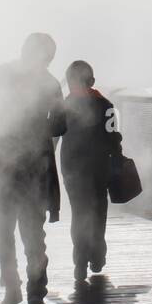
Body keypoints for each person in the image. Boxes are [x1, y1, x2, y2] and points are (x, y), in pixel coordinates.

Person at [0, 33, 67, 304]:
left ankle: (12, 282)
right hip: (35, 160)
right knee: (32, 223)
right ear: (49, 57)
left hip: (2, 156)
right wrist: (39, 130)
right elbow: (60, 125)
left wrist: (6, 115)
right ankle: (36, 284)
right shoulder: (51, 83)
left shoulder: (2, 73)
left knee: (2, 223)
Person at [60, 61, 122, 282]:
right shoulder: (106, 105)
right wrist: (118, 158)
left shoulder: (64, 105)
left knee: (79, 212)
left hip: (71, 166)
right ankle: (97, 254)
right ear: (92, 81)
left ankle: (80, 260)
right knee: (98, 210)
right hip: (99, 167)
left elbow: (55, 136)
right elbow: (114, 137)